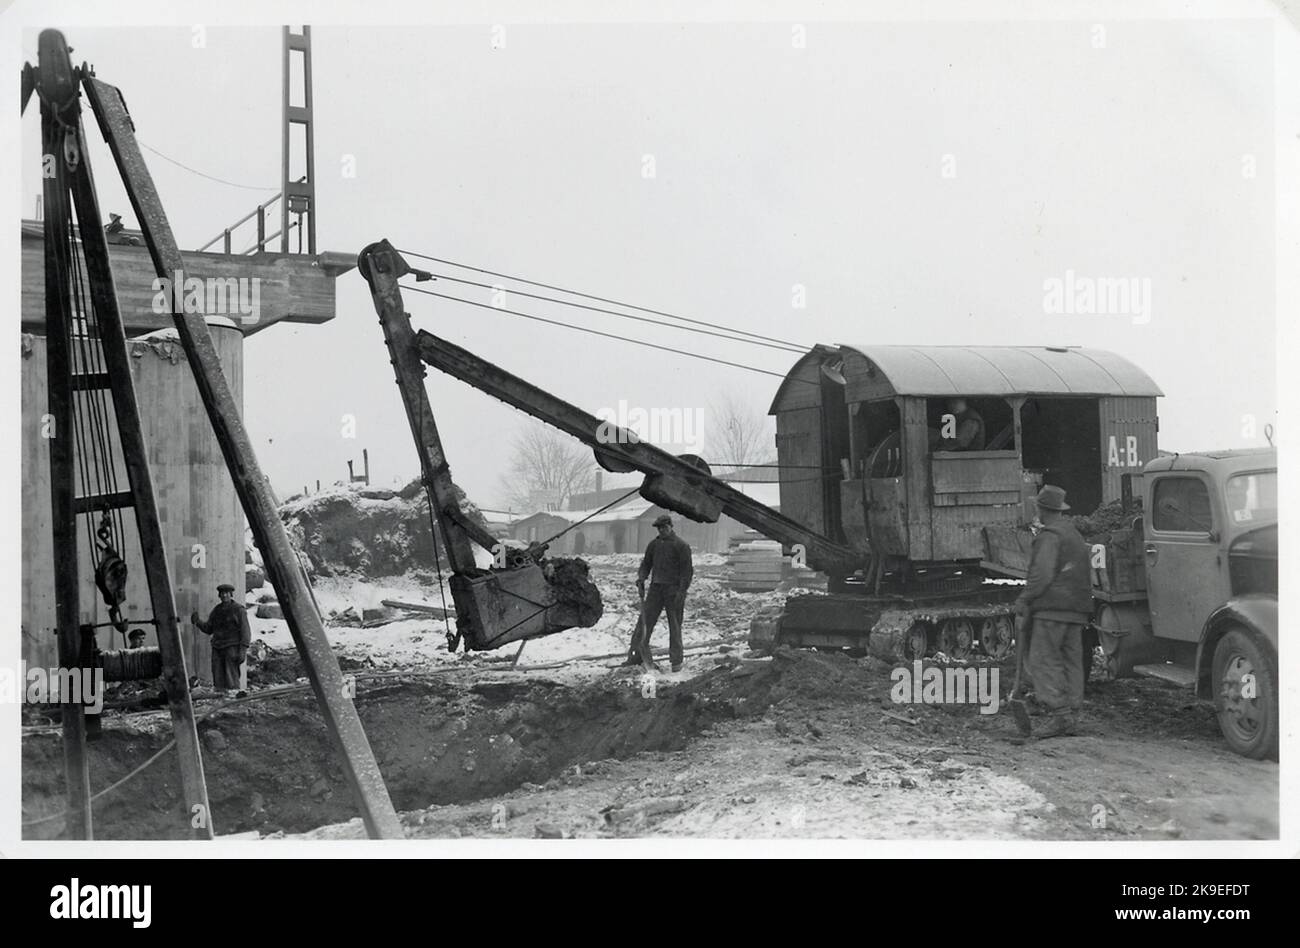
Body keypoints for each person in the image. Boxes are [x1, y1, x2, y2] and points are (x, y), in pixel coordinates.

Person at [1011, 485, 1092, 738]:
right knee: (1071, 661)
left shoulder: (1049, 536)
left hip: (1052, 609)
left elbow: (1041, 575)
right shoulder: (1073, 534)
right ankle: (1073, 714)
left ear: (1041, 509)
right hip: (1077, 609)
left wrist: (1024, 599)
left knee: (1043, 659)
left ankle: (1060, 716)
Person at [627, 514, 693, 672]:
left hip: (674, 591)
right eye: (659, 528)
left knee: (675, 627)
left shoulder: (681, 546)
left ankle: (676, 662)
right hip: (656, 590)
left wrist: (682, 591)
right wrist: (642, 578)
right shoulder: (654, 545)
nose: (662, 531)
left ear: (671, 526)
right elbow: (646, 564)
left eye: (664, 527)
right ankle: (635, 657)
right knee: (644, 624)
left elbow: (687, 572)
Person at [192, 583, 251, 697]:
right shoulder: (217, 610)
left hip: (232, 648)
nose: (224, 596)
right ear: (219, 595)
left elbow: (245, 631)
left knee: (231, 677)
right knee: (218, 677)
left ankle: (234, 701)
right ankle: (220, 700)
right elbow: (209, 629)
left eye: (226, 593)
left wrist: (243, 650)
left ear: (231, 595)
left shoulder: (238, 610)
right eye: (222, 594)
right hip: (217, 647)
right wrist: (198, 621)